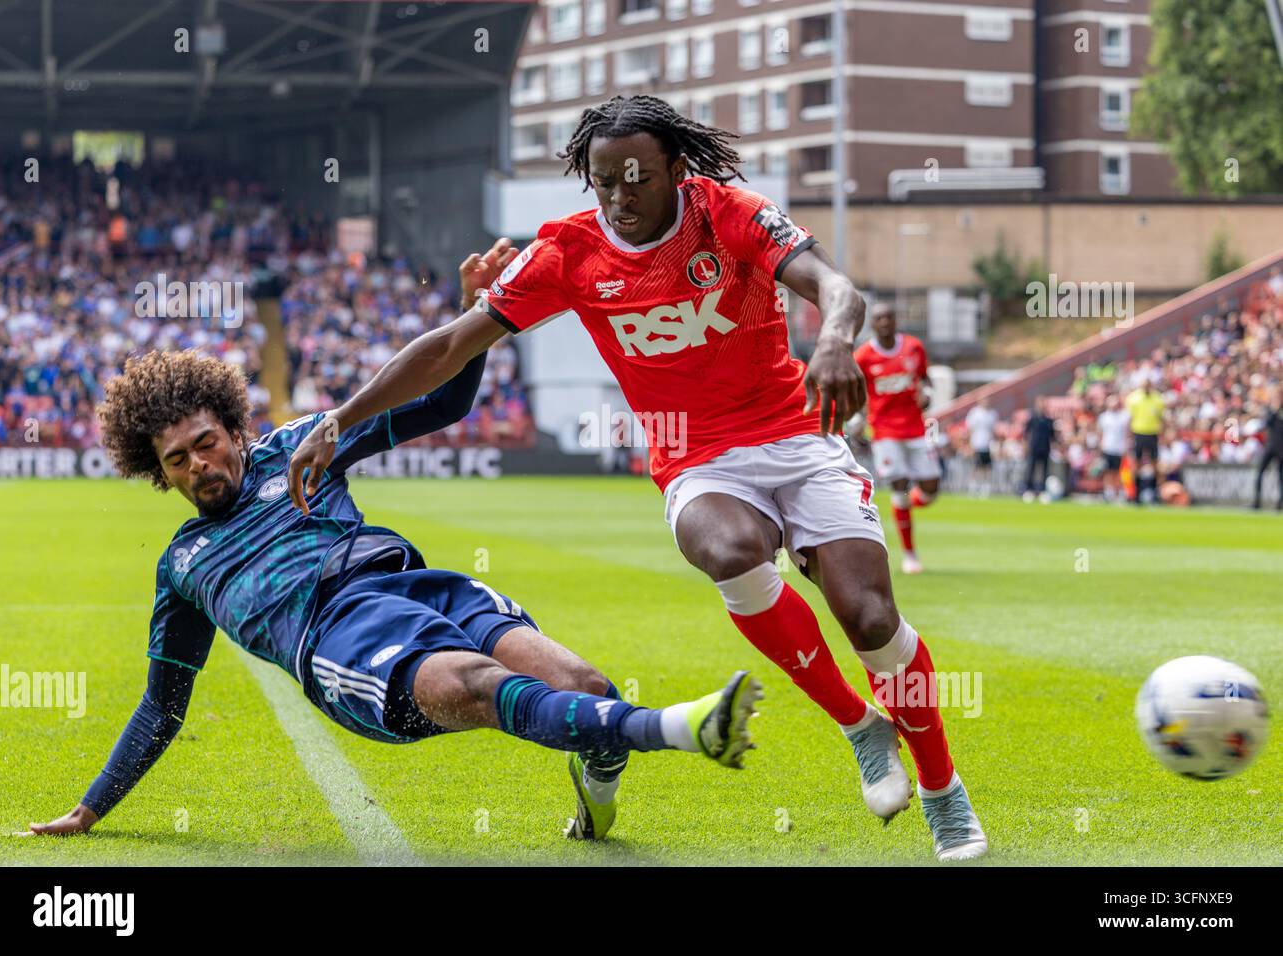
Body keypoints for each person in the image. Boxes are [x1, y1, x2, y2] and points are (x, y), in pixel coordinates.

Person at [288, 94, 986, 860]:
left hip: (796, 431)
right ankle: (858, 724)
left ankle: (942, 788)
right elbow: (449, 345)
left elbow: (838, 287)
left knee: (872, 620)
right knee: (727, 550)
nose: (619, 197)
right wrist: (338, 420)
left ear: (677, 170)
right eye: (603, 180)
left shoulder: (732, 214)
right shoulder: (565, 253)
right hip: (697, 455)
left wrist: (836, 343)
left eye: (636, 178)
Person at [27, 347, 762, 843]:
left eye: (205, 442)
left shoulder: (299, 447)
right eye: (176, 461)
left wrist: (477, 321)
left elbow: (441, 403)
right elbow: (164, 702)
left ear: (233, 428)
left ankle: (596, 786)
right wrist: (92, 808)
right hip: (338, 641)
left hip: (414, 583)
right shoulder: (182, 564)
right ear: (160, 474)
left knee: (585, 684)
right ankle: (676, 728)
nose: (198, 466)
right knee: (480, 685)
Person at [854, 303, 940, 572]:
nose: (885, 321)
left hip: (915, 427)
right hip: (884, 429)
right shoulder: (863, 357)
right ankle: (910, 555)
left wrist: (927, 394)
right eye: (879, 318)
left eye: (889, 316)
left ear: (895, 320)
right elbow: (856, 392)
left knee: (931, 488)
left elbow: (926, 379)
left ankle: (903, 507)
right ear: (873, 324)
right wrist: (857, 420)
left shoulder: (914, 347)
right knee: (899, 482)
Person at [1126, 375, 1166, 504]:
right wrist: (1129, 436)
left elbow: (1161, 418)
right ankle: (1135, 494)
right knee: (1136, 464)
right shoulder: (1134, 398)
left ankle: (1154, 493)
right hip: (1139, 432)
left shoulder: (1158, 399)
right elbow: (1130, 418)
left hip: (1153, 433)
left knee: (1155, 464)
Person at [1096, 393, 1131, 502]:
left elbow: (1127, 432)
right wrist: (1101, 445)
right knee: (1108, 471)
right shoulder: (1104, 417)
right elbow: (1100, 433)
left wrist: (1126, 445)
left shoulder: (1124, 416)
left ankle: (1119, 492)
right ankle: (1109, 492)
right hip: (1108, 447)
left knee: (1119, 472)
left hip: (1119, 448)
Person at [1253, 386, 1283, 511]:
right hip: (1270, 447)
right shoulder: (1271, 411)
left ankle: (1279, 504)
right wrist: (1275, 410)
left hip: (1281, 448)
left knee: (1281, 477)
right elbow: (1266, 424)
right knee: (1260, 473)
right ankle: (1257, 501)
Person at [1022, 397, 1056, 498]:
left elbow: (1052, 436)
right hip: (1034, 447)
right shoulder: (1032, 419)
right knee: (1031, 469)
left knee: (1044, 470)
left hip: (1045, 448)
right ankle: (1029, 490)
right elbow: (1026, 434)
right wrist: (1025, 446)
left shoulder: (1049, 421)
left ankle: (1042, 491)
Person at [964, 398, 998, 498]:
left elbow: (993, 430)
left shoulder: (992, 414)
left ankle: (985, 488)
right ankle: (973, 487)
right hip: (977, 443)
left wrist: (994, 444)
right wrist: (970, 445)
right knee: (976, 466)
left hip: (987, 444)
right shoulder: (975, 413)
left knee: (987, 467)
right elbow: (970, 429)